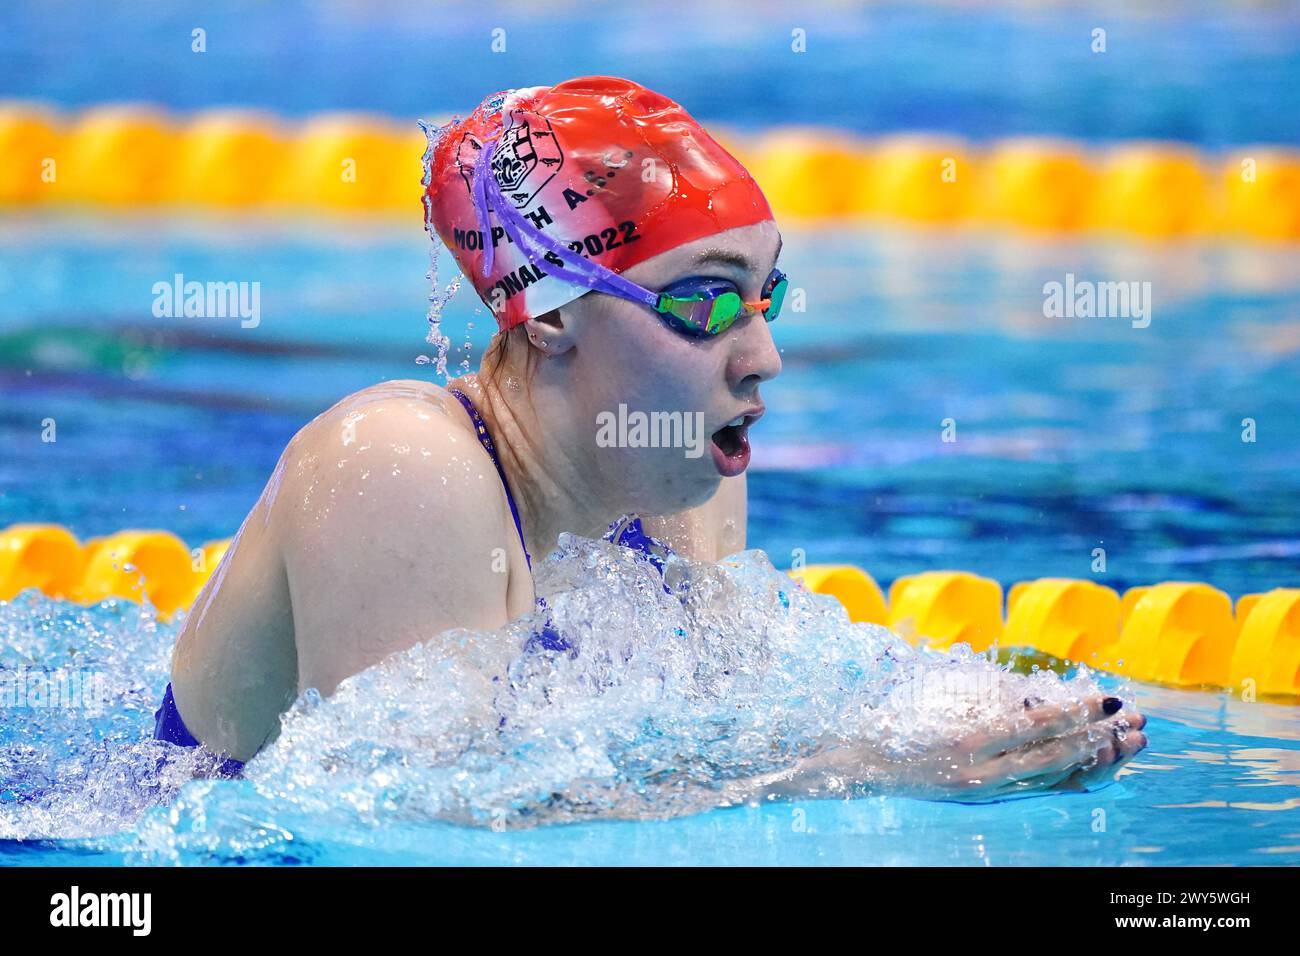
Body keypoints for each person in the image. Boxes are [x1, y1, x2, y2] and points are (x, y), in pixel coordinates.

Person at [156, 76, 1146, 799]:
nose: (763, 356)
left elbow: (725, 719)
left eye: (766, 296)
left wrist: (968, 728)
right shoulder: (398, 466)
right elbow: (418, 814)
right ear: (548, 314)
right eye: (706, 302)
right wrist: (857, 772)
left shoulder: (681, 469)